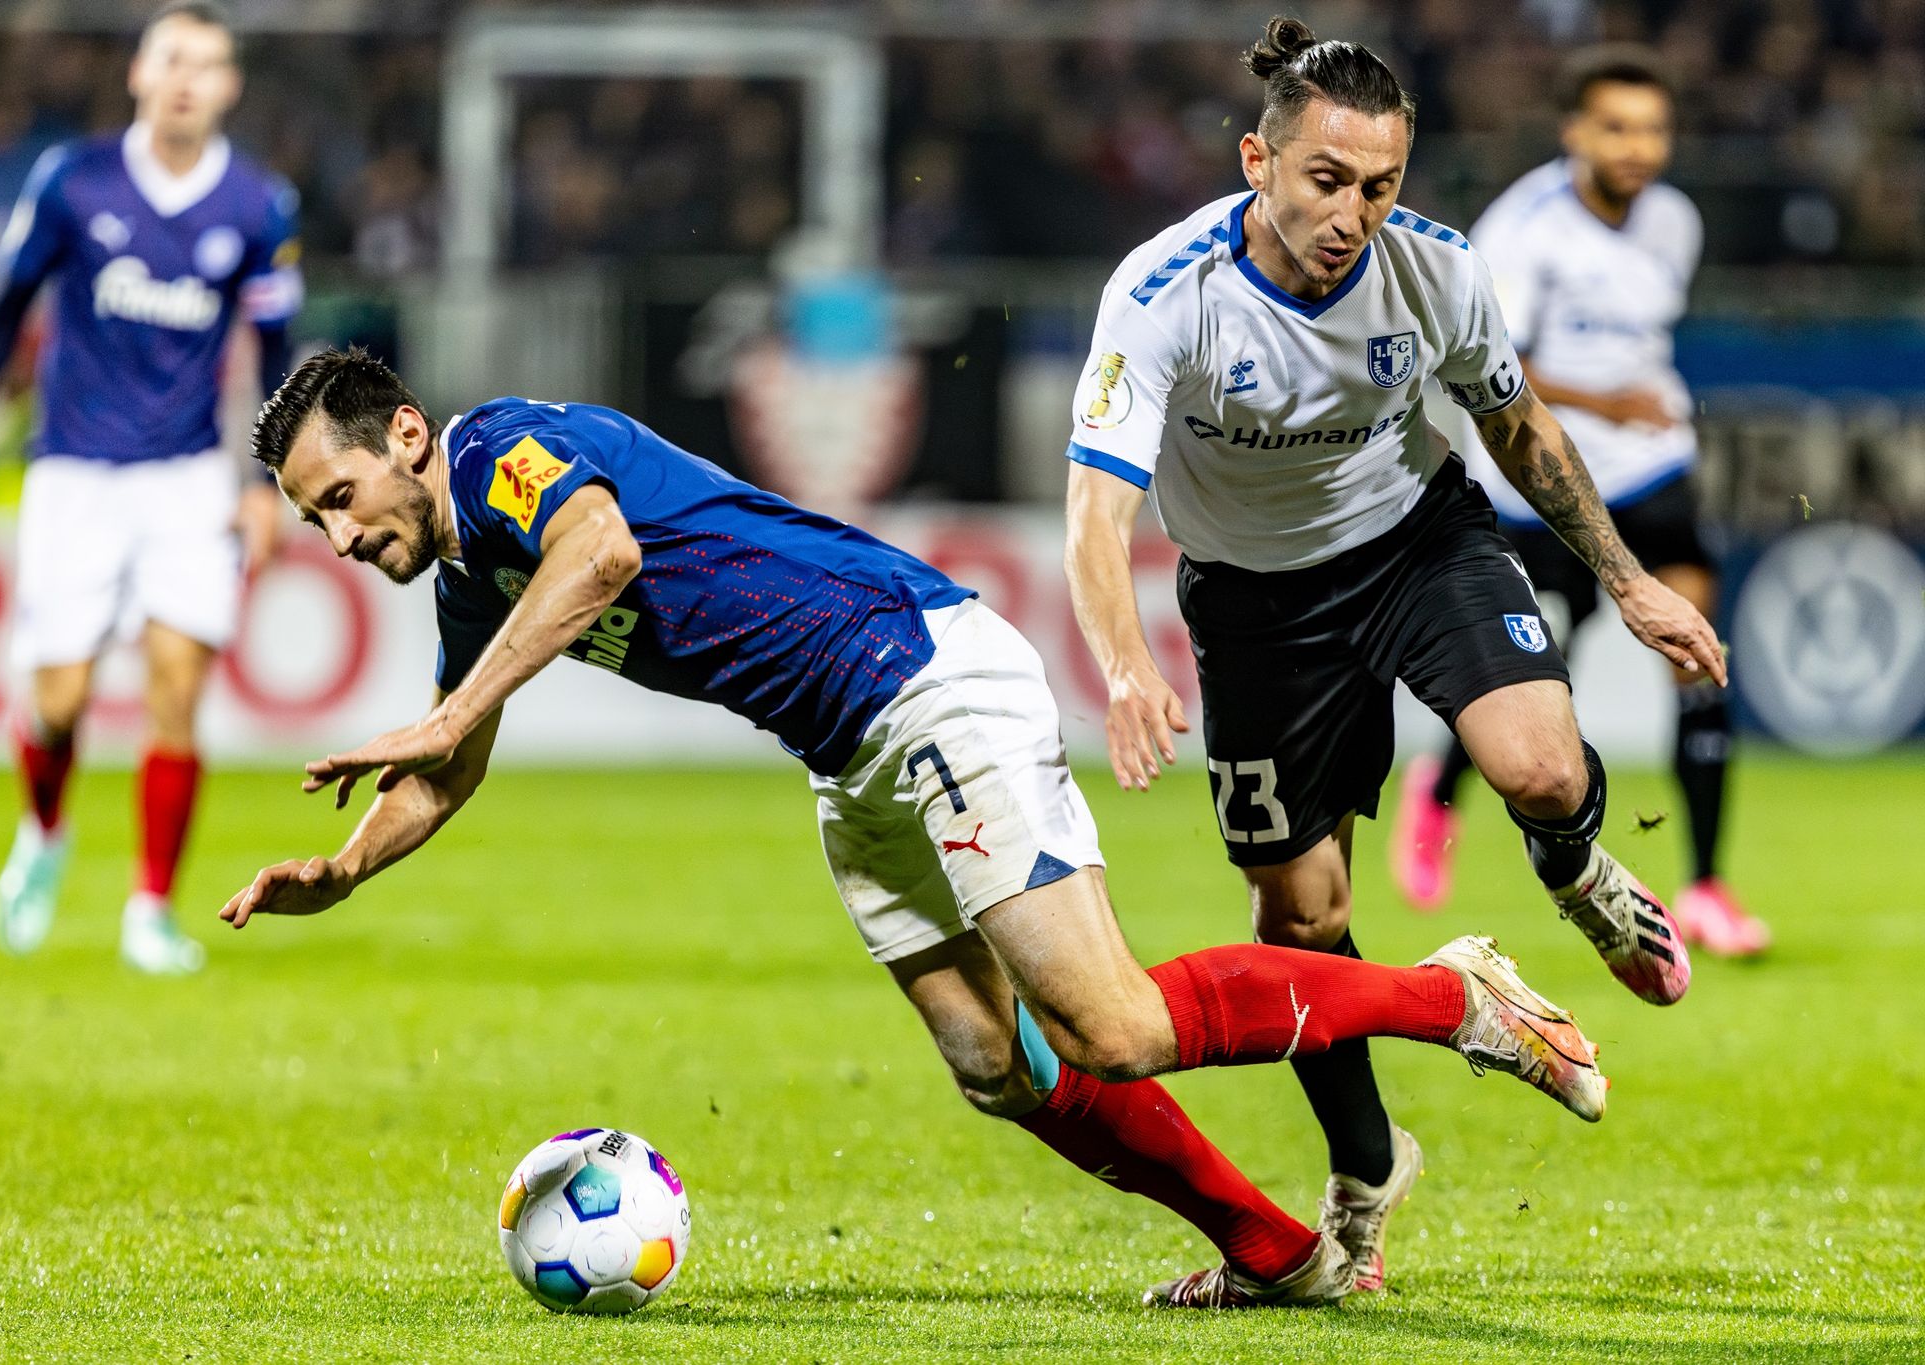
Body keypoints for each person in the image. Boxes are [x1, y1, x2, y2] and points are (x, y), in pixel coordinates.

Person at [220, 346, 1610, 1310]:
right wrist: (345, 868)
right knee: (993, 1064)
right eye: (312, 520)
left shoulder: (514, 449)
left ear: (406, 438)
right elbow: (445, 762)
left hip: (918, 673)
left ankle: (1452, 993)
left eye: (338, 498)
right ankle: (1274, 1253)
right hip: (849, 748)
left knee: (1108, 1027)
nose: (338, 537)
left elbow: (604, 553)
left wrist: (448, 705)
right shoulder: (470, 575)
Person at [1060, 18, 1726, 1293]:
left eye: (1378, 186)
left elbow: (1516, 427)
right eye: (1324, 180)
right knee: (1302, 926)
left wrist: (1626, 580)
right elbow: (1096, 509)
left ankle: (1579, 874)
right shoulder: (1163, 291)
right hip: (1254, 610)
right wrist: (1128, 664)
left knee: (1536, 768)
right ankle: (1362, 1186)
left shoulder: (1434, 270)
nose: (1351, 212)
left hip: (1416, 545)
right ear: (1257, 160)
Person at [0, 1, 302, 974]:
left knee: (178, 688)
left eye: (207, 64)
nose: (186, 77)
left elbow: (276, 352)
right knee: (60, 698)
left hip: (184, 478)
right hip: (74, 473)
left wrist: (268, 481)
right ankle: (45, 832)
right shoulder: (73, 181)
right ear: (139, 73)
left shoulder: (259, 205)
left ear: (229, 87)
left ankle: (149, 907)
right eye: (170, 58)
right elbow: (7, 307)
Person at [1391, 48, 1769, 956]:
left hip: (1651, 466)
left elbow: (1643, 348)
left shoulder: (1674, 222)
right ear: (1574, 131)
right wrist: (1607, 403)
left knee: (1698, 652)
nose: (1638, 147)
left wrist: (1643, 413)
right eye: (1617, 126)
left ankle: (1708, 886)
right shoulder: (1523, 232)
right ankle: (1438, 797)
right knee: (1536, 661)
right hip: (1545, 477)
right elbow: (1495, 375)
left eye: (1653, 129)